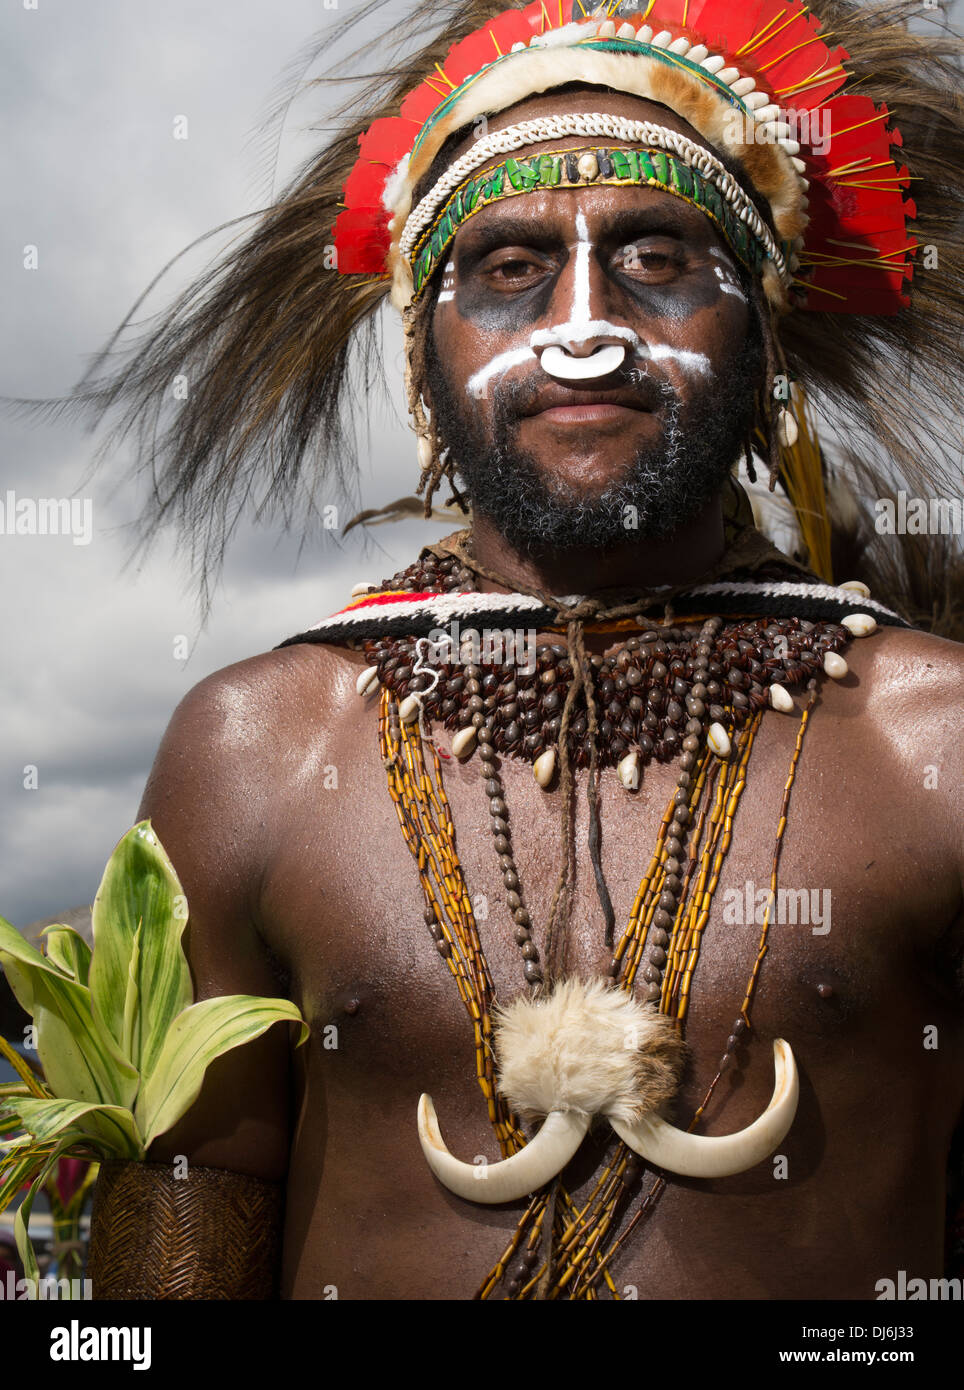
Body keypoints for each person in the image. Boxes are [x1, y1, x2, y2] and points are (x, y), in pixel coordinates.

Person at [83, 0, 963, 1300]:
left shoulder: (933, 740)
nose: (585, 328)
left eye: (660, 256)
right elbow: (164, 1269)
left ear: (763, 331)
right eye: (507, 270)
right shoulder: (256, 751)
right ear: (418, 359)